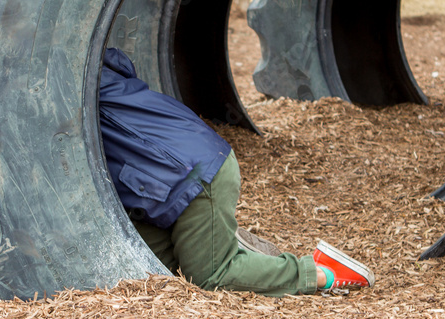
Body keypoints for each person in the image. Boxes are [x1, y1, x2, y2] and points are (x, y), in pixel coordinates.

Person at [99, 47, 374, 296]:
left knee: (209, 276)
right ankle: (228, 247)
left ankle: (320, 273)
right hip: (176, 175)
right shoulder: (97, 71)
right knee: (155, 266)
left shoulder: (77, 94)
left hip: (193, 178)